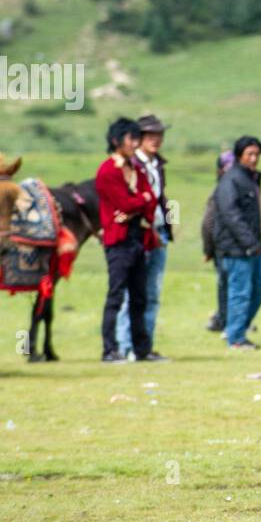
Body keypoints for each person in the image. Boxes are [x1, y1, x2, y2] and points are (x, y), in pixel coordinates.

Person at [95, 117, 166, 363]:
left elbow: (150, 201)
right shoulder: (107, 171)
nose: (135, 143)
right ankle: (109, 349)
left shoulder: (136, 169)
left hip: (138, 236)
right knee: (116, 295)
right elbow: (125, 202)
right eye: (131, 138)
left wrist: (137, 205)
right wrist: (140, 200)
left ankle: (142, 349)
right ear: (117, 141)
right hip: (118, 240)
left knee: (139, 296)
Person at [116, 113, 171, 357]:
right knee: (132, 293)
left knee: (152, 293)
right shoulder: (130, 166)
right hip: (137, 233)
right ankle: (126, 344)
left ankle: (143, 346)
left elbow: (160, 199)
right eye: (150, 135)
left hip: (157, 232)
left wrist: (166, 226)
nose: (155, 139)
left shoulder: (157, 165)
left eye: (159, 134)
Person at [213, 136, 261, 350]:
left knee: (260, 288)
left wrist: (256, 242)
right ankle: (235, 338)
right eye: (249, 154)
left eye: (256, 154)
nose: (254, 159)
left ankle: (237, 329)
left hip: (254, 244)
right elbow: (230, 214)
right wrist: (248, 242)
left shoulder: (251, 179)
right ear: (238, 156)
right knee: (240, 291)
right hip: (237, 247)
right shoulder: (231, 180)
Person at [202, 149, 234, 334]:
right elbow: (208, 223)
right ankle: (224, 320)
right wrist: (208, 249)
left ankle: (229, 320)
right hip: (223, 246)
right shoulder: (220, 193)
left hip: (229, 246)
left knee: (231, 285)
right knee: (227, 285)